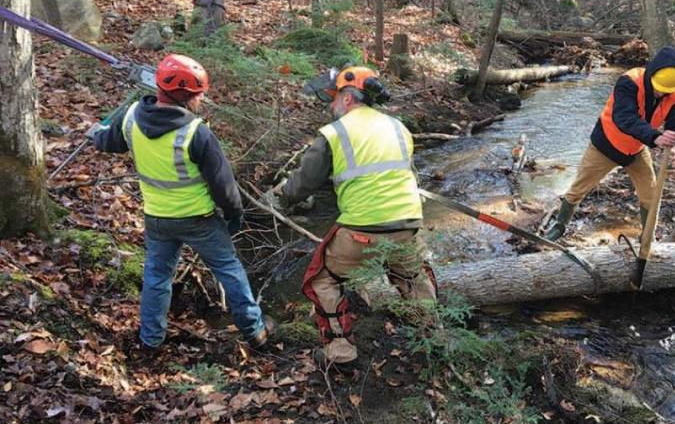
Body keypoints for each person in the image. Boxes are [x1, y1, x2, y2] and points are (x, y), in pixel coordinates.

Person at [89, 54, 274, 351]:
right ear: (184, 97)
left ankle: (150, 340)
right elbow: (223, 186)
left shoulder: (132, 117)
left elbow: (108, 141)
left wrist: (95, 135)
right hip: (199, 220)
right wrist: (234, 215)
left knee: (157, 277)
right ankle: (255, 331)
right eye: (198, 95)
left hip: (157, 219)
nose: (201, 100)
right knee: (229, 268)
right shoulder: (195, 132)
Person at [272, 66, 437, 367]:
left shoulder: (335, 133)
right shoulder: (398, 127)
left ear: (348, 99)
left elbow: (302, 183)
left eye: (334, 98)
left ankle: (341, 350)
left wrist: (283, 194)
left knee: (322, 279)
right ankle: (431, 336)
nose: (331, 105)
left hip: (361, 228)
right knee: (412, 277)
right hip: (407, 224)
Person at [544, 45, 675, 241]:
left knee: (651, 195)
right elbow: (625, 118)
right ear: (651, 75)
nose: (659, 94)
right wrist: (655, 137)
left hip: (636, 150)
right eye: (656, 89)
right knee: (578, 189)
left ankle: (647, 237)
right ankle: (560, 226)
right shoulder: (629, 82)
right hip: (605, 145)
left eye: (664, 92)